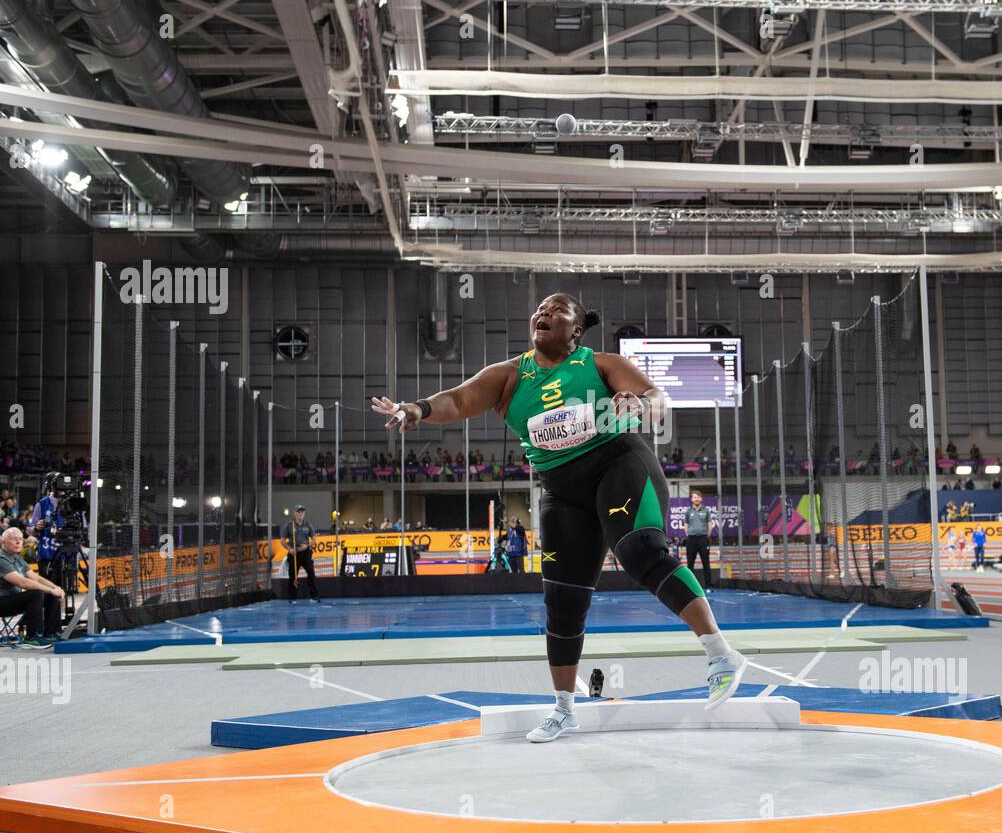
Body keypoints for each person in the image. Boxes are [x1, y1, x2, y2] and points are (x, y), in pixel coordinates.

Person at [370, 292, 746, 743]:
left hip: (617, 463)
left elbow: (657, 397)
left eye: (556, 310)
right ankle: (564, 708)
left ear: (576, 329)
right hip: (562, 490)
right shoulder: (509, 376)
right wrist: (418, 409)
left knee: (641, 550)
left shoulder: (601, 364)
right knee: (562, 602)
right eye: (540, 309)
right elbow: (457, 399)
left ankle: (721, 655)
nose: (543, 314)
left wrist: (641, 405)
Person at [0, 526, 63, 645]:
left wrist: (55, 588)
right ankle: (33, 636)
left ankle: (52, 634)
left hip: (11, 599)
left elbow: (36, 578)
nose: (19, 542)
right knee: (36, 593)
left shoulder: (17, 559)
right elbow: (24, 583)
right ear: (4, 543)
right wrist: (51, 590)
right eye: (14, 539)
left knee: (50, 595)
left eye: (20, 538)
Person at [281, 505, 320, 602]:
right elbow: (282, 540)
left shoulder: (308, 525)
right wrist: (289, 549)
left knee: (311, 573)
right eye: (298, 512)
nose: (300, 514)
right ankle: (292, 598)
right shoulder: (289, 525)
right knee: (293, 576)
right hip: (294, 554)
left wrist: (307, 545)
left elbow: (314, 540)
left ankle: (314, 596)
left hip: (306, 553)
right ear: (294, 513)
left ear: (304, 513)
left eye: (302, 511)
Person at [683, 490, 714, 590]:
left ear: (701, 499)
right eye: (694, 497)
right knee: (690, 563)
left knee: (706, 562)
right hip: (691, 539)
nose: (696, 499)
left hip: (703, 539)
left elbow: (710, 524)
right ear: (692, 499)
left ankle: (708, 585)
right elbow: (686, 525)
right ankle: (690, 586)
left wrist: (706, 536)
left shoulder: (706, 511)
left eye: (698, 497)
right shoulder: (688, 511)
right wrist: (689, 535)